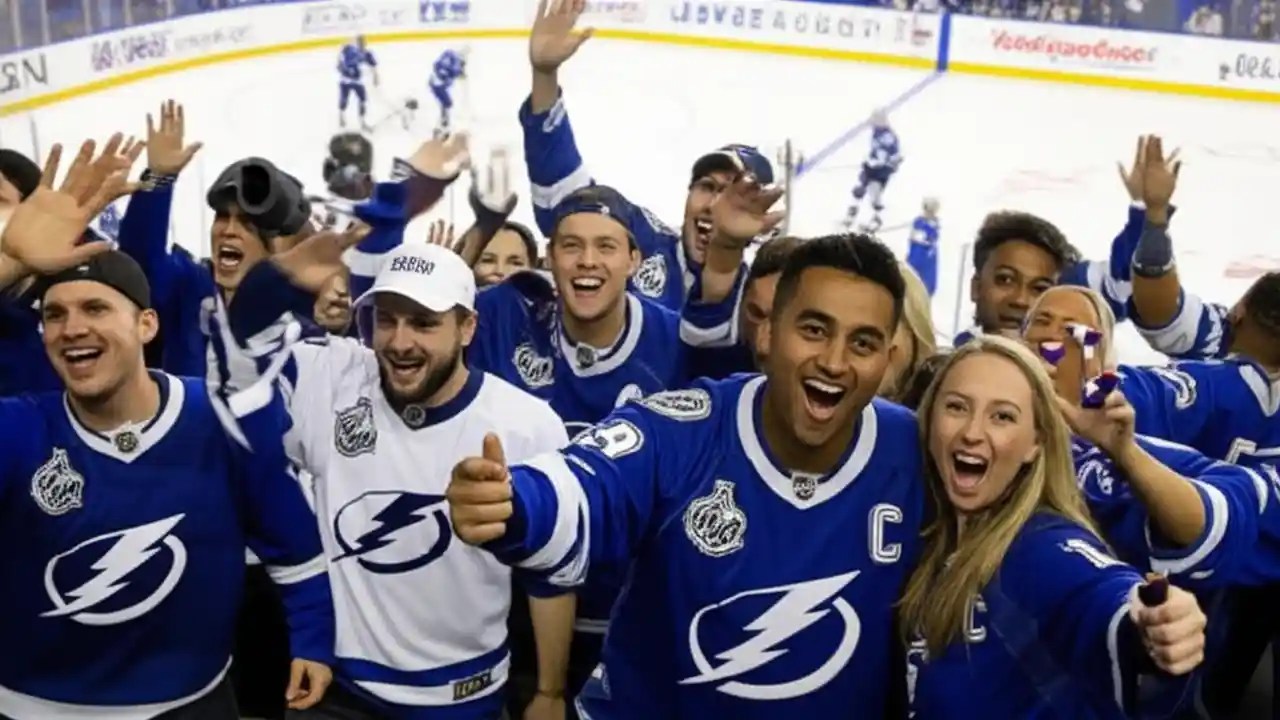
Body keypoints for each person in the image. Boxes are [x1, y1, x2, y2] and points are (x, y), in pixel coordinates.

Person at [446, 233, 1208, 717]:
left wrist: (1139, 623)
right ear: (768, 332)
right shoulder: (685, 423)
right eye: (814, 330)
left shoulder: (920, 452)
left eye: (863, 341)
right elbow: (590, 484)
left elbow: (1039, 547)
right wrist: (518, 504)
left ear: (890, 358)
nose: (836, 361)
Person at [0, 141, 335, 718]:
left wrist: (313, 630)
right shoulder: (20, 428)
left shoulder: (229, 407)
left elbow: (287, 525)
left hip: (203, 683)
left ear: (144, 324)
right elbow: (144, 259)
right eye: (55, 314)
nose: (72, 328)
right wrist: (8, 262)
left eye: (96, 310)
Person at [210, 237, 576, 720]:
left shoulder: (528, 424)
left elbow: (553, 571)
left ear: (467, 327)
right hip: (336, 692)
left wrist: (549, 691)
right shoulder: (335, 377)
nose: (400, 342)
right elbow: (238, 348)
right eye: (387, 319)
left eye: (424, 323)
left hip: (466, 696)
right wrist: (282, 281)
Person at [902, 336, 1206, 718]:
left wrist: (1155, 627)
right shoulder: (927, 530)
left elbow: (1102, 598)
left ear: (1035, 444)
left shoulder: (1042, 547)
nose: (972, 433)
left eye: (1003, 416)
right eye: (957, 407)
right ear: (929, 420)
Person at [520, 0, 764, 311]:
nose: (714, 205)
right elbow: (565, 200)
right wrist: (544, 76)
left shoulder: (761, 295)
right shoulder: (646, 239)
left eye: (734, 195)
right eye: (707, 187)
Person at [842, 109, 902, 234]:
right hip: (872, 166)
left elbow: (888, 156)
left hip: (881, 170)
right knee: (860, 188)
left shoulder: (888, 137)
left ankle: (877, 218)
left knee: (875, 194)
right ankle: (852, 212)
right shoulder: (877, 132)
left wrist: (876, 162)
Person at [338, 35, 379, 131]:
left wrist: (375, 76)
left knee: (362, 100)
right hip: (345, 80)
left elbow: (373, 65)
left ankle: (362, 122)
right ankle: (341, 116)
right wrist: (341, 67)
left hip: (357, 82)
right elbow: (340, 58)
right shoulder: (348, 49)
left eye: (363, 43)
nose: (362, 45)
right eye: (360, 43)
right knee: (344, 100)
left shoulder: (366, 53)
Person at [906, 196, 940, 296]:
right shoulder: (918, 222)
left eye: (932, 210)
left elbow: (932, 238)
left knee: (926, 285)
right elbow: (914, 239)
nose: (930, 212)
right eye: (928, 209)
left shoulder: (934, 225)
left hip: (927, 259)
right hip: (917, 255)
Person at [429, 47, 468, 135]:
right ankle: (442, 126)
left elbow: (438, 65)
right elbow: (441, 68)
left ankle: (442, 125)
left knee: (446, 104)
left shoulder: (450, 59)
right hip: (438, 85)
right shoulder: (452, 65)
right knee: (447, 104)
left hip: (437, 84)